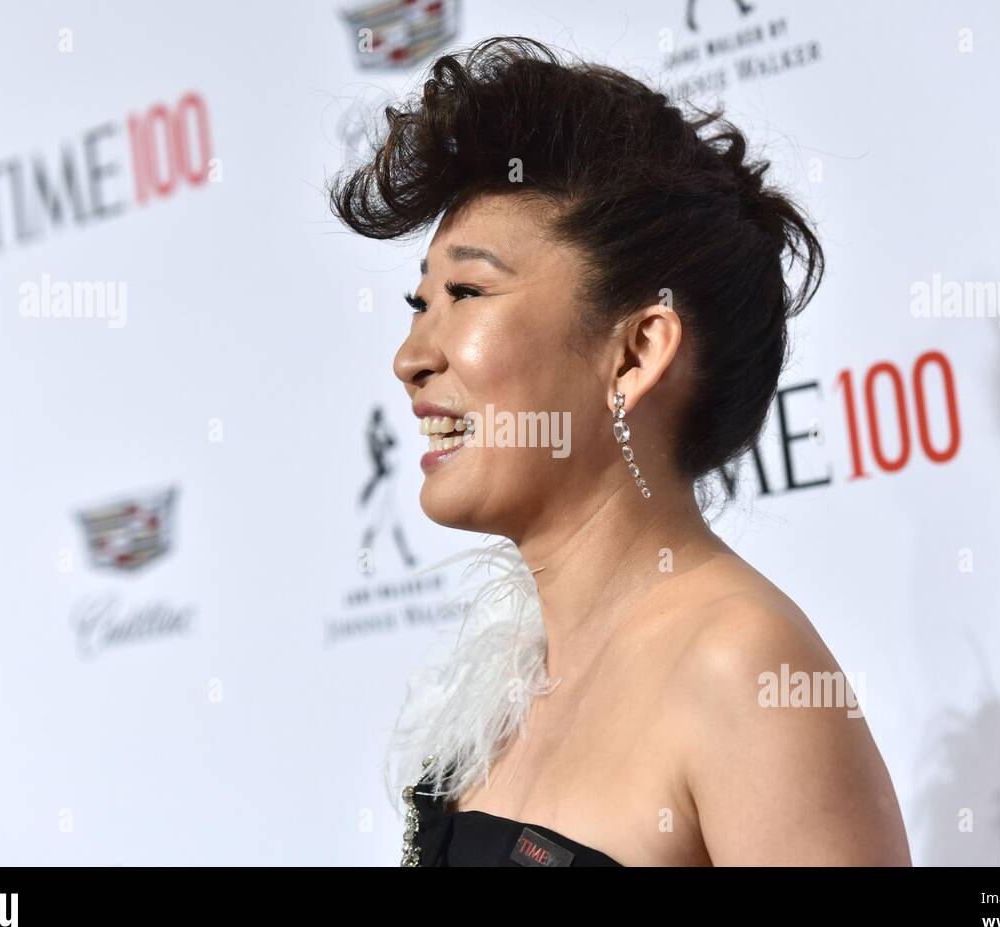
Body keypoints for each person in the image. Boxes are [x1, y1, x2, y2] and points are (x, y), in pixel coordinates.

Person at [331, 36, 911, 866]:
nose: (411, 357)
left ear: (636, 354)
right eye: (418, 301)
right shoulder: (498, 702)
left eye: (466, 292)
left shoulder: (743, 671)